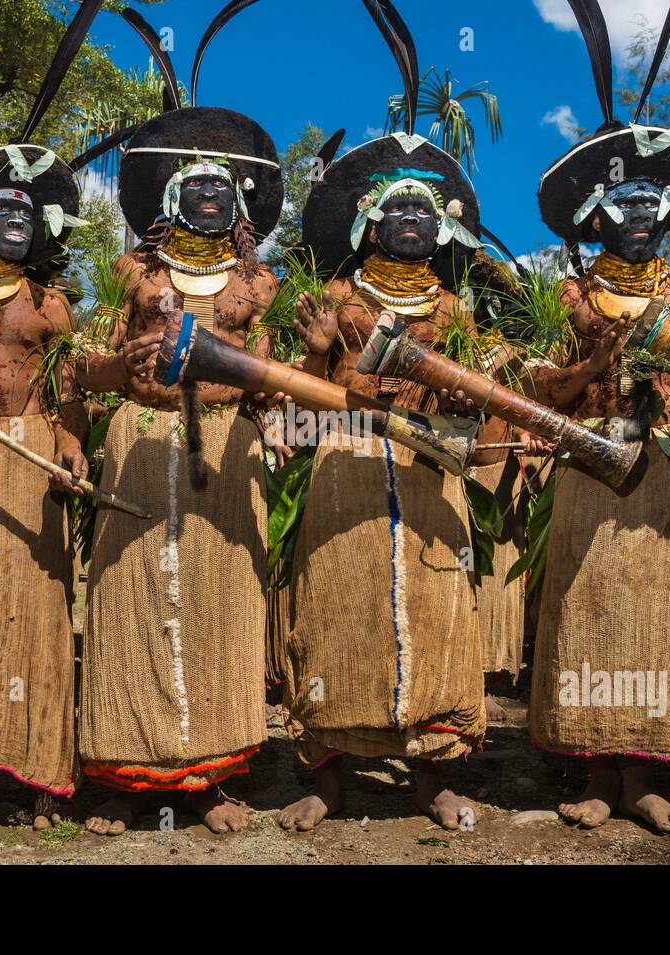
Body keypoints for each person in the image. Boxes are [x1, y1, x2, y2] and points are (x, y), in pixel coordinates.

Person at [525, 0, 670, 834]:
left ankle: (647, 773)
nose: (640, 217)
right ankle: (593, 769)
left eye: (653, 206)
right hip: (588, 462)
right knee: (591, 610)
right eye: (625, 206)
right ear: (600, 217)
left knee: (665, 612)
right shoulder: (574, 291)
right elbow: (555, 384)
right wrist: (595, 365)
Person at [74, 8, 285, 836]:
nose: (207, 192)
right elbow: (85, 368)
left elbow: (271, 381)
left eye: (220, 187)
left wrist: (283, 391)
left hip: (229, 452)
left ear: (238, 207)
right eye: (192, 183)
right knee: (130, 597)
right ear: (167, 198)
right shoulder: (129, 271)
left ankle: (214, 779)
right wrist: (115, 370)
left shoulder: (261, 288)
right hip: (139, 441)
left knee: (221, 599)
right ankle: (130, 778)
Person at [278, 97, 504, 829]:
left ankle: (432, 777)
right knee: (336, 611)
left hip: (426, 465)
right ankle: (329, 776)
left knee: (436, 609)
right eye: (396, 208)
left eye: (424, 210)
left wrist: (467, 407)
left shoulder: (456, 310)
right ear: (368, 224)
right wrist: (317, 354)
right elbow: (295, 392)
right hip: (343, 463)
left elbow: (472, 405)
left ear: (440, 229)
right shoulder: (337, 295)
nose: (411, 218)